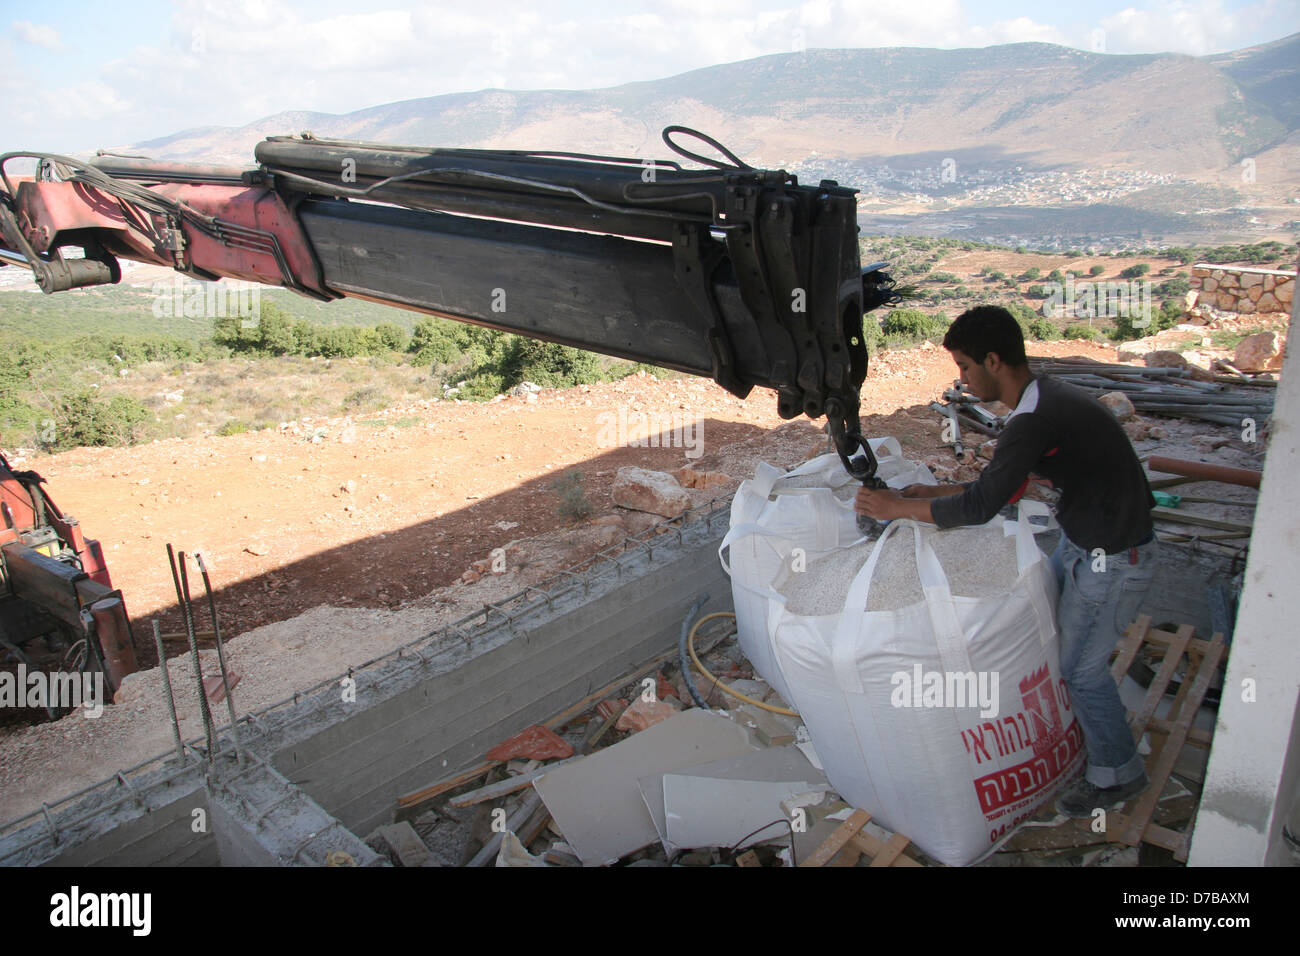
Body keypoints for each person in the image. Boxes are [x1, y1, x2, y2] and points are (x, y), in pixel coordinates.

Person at [854, 305, 1157, 818]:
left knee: (1081, 670)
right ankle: (1085, 727)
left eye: (966, 368)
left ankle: (1118, 774)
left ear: (994, 360)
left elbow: (979, 509)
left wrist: (897, 507)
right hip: (1089, 540)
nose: (962, 381)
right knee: (1061, 631)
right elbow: (1004, 487)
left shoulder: (1033, 419)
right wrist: (932, 489)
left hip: (1113, 555)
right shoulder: (1044, 400)